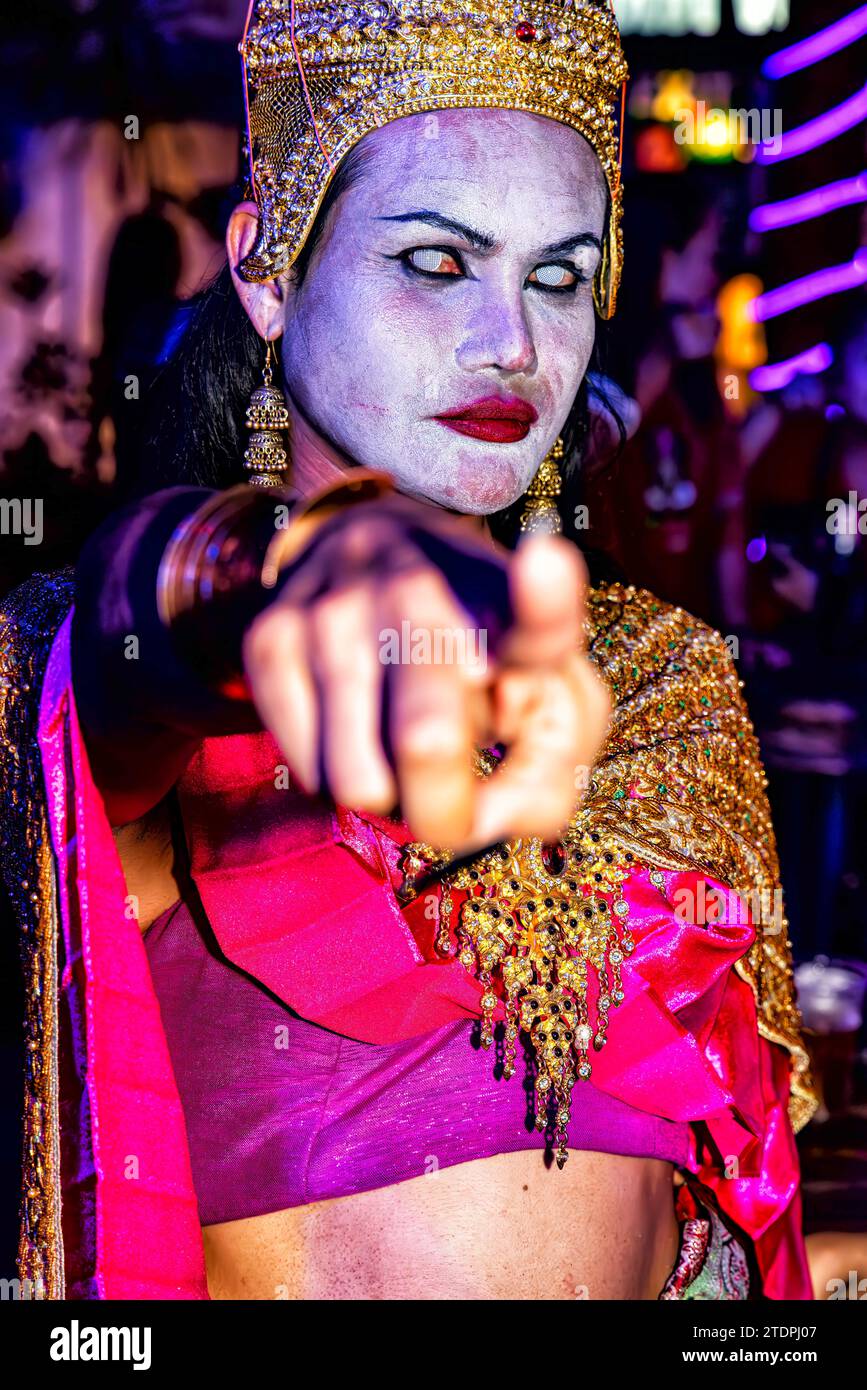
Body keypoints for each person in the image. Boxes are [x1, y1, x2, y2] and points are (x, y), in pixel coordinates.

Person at [1, 0, 815, 1301]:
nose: (513, 342)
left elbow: (708, 1201)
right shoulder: (168, 654)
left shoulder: (661, 670)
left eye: (558, 275)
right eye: (439, 262)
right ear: (268, 272)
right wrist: (271, 583)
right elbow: (126, 642)